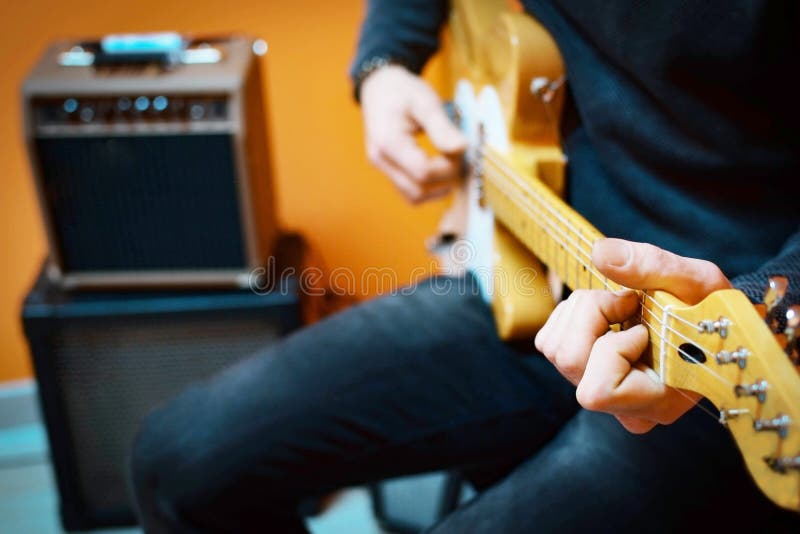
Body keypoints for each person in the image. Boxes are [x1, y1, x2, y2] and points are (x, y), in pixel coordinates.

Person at [130, 1, 800, 532]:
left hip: (716, 345)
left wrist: (770, 303)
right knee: (177, 463)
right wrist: (386, 62)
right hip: (522, 257)